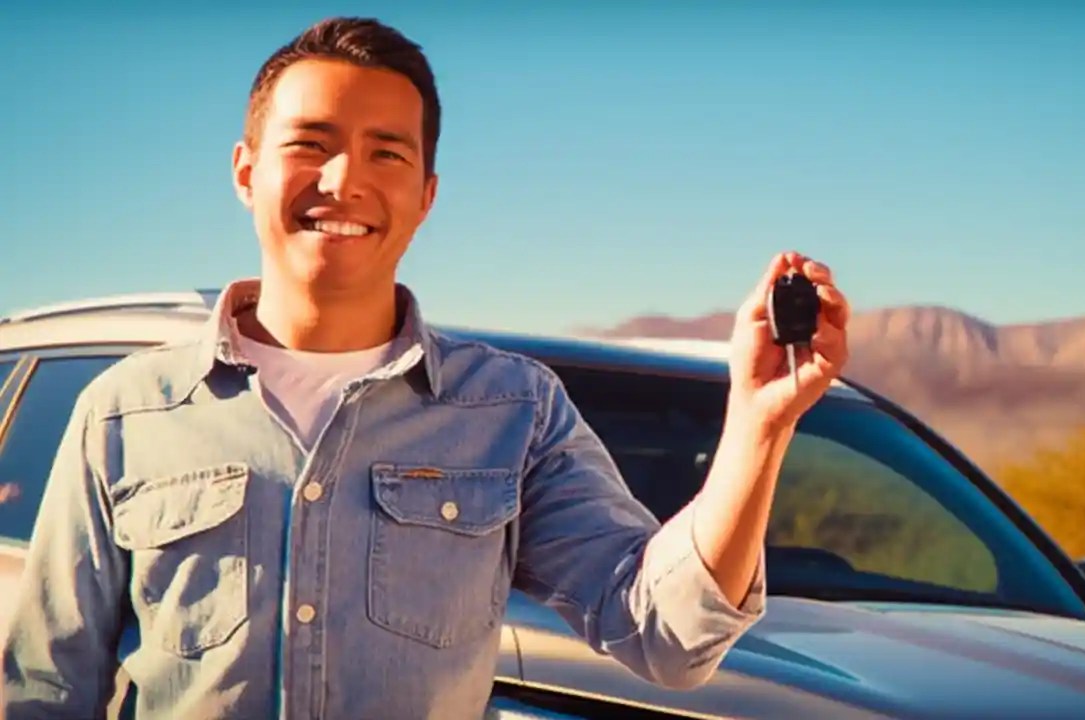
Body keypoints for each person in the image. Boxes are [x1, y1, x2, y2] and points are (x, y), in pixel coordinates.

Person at [1, 16, 851, 720]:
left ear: (426, 195)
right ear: (247, 172)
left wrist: (758, 423)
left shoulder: (514, 412)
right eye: (312, 143)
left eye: (386, 153)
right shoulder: (123, 414)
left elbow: (663, 637)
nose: (345, 180)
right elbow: (46, 689)